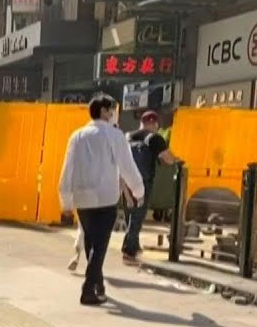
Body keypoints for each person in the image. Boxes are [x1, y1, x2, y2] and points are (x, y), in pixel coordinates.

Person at [59, 96, 145, 306]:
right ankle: (89, 289)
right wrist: (138, 190)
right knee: (100, 246)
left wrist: (66, 201)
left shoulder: (77, 136)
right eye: (113, 110)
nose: (115, 114)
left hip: (83, 199)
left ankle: (98, 285)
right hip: (105, 198)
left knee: (91, 243)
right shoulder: (114, 135)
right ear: (105, 111)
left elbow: (67, 169)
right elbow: (127, 165)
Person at [122, 110, 177, 263]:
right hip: (143, 181)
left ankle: (134, 244)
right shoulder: (154, 138)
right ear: (155, 124)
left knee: (130, 215)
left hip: (125, 180)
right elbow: (168, 159)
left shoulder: (127, 136)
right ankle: (129, 251)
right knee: (137, 216)